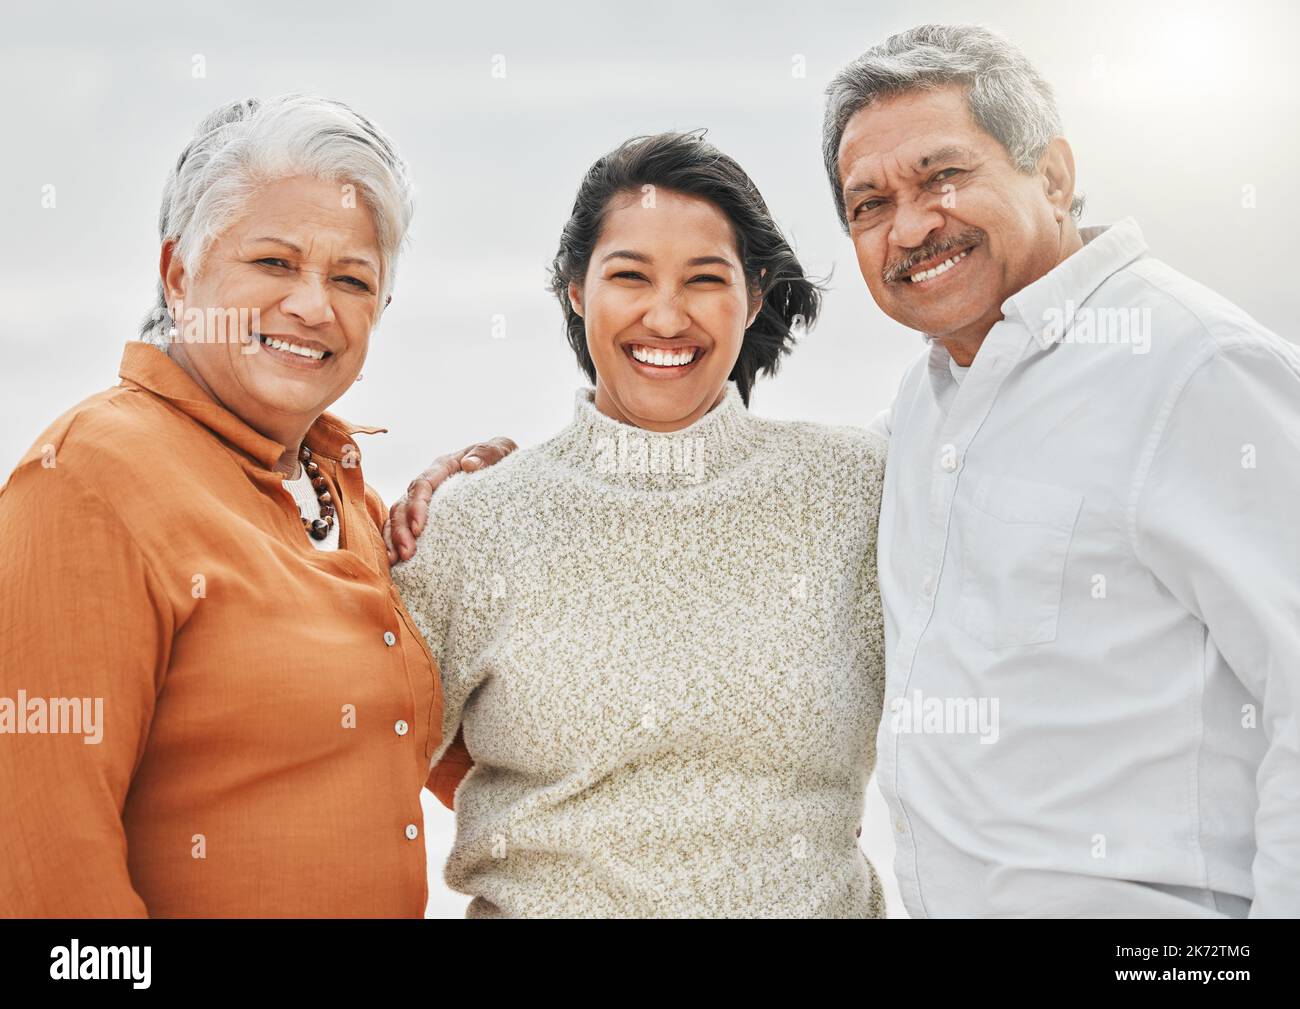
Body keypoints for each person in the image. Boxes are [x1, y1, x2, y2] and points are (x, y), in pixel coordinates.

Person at [823, 23, 1300, 917]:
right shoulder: (930, 396)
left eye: (942, 176)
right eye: (869, 205)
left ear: (1052, 174)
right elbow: (782, 499)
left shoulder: (1199, 365)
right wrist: (495, 488)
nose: (913, 226)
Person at [0, 94, 483, 917]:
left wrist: (500, 515)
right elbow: (43, 867)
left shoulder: (342, 495)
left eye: (352, 278)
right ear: (180, 274)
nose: (312, 305)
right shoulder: (88, 478)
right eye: (273, 263)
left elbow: (487, 765)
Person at [390, 131, 889, 917]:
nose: (666, 315)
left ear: (753, 296)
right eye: (629, 276)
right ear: (575, 291)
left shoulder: (860, 489)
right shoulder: (477, 521)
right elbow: (371, 755)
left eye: (703, 278)